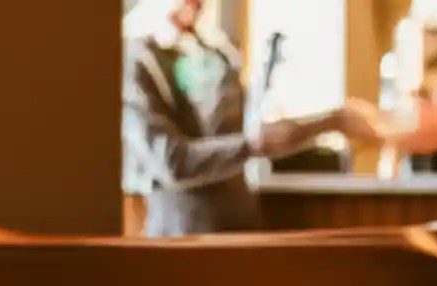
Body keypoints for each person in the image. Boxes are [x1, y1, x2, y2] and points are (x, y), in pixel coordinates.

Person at [122, 0, 384, 237]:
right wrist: (252, 145)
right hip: (184, 238)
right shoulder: (139, 59)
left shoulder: (217, 50)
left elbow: (248, 133)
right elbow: (171, 161)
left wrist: (328, 122)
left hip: (240, 230)